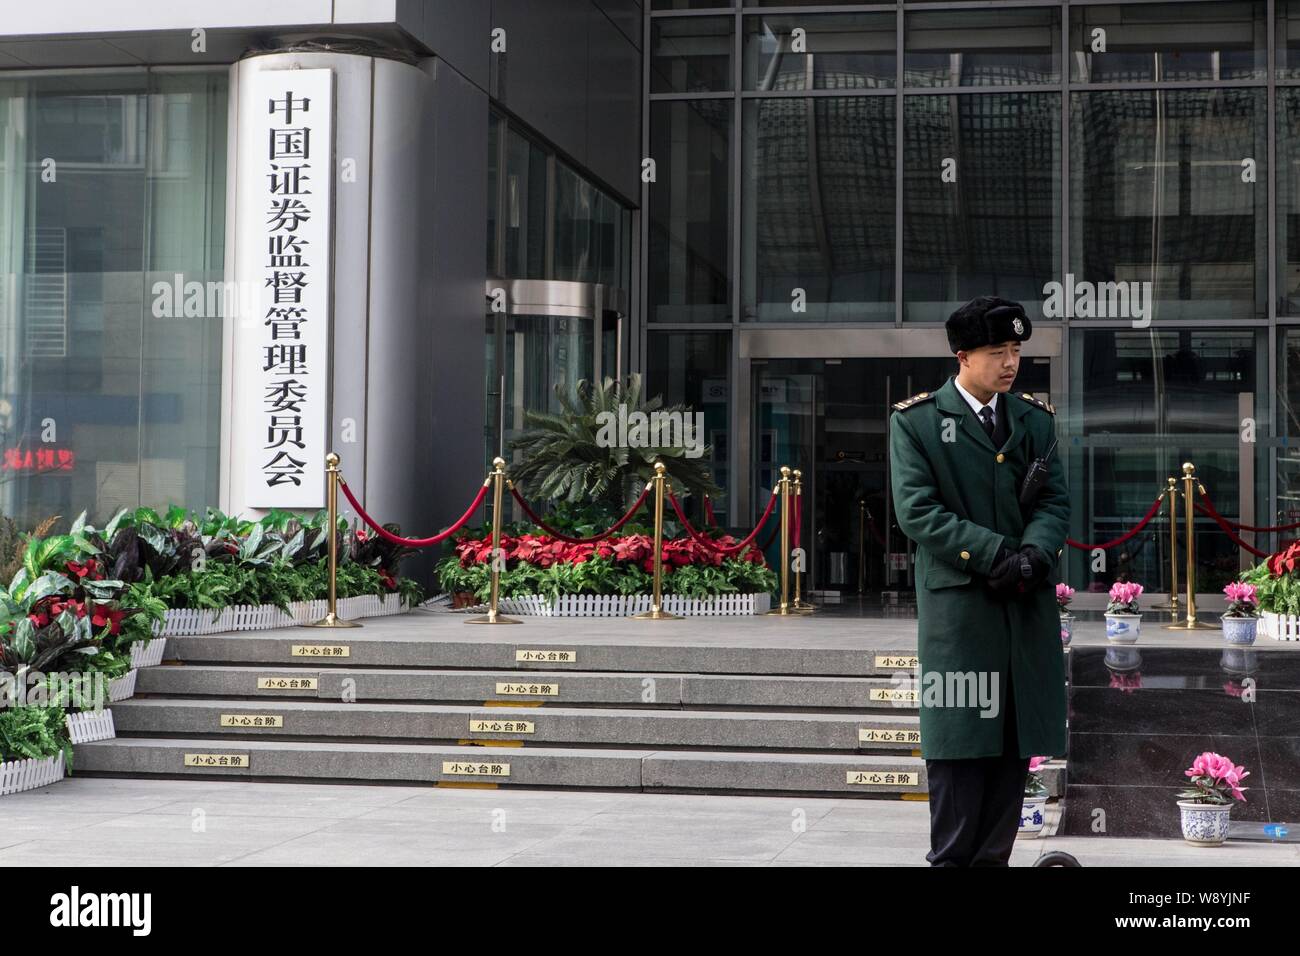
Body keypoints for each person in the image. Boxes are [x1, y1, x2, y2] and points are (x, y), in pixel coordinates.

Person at [888, 295, 1069, 866]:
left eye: (1016, 350)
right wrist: (996, 555)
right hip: (962, 616)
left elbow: (1056, 500)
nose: (1011, 363)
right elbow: (917, 512)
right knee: (961, 749)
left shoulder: (1035, 421)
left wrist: (1036, 555)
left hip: (1024, 608)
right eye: (998, 352)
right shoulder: (915, 422)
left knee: (1012, 749)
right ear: (962, 356)